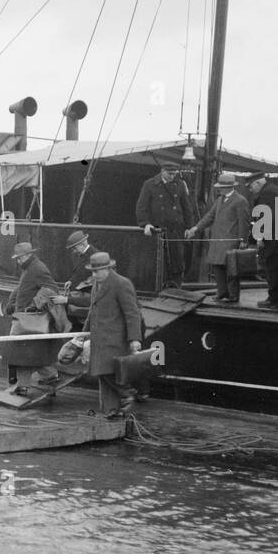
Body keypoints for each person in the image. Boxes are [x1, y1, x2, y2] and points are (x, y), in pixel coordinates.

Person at [83, 252, 143, 419]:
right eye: (92, 272)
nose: (93, 275)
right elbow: (92, 311)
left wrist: (135, 339)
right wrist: (83, 333)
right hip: (99, 338)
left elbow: (132, 313)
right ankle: (111, 410)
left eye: (96, 271)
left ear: (107, 269)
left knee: (106, 371)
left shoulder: (121, 284)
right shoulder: (98, 284)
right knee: (102, 372)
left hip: (114, 339)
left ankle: (128, 394)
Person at [1, 241, 63, 391]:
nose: (18, 260)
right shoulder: (29, 268)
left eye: (20, 257)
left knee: (21, 352)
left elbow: (51, 288)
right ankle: (48, 376)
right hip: (23, 317)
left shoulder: (37, 268)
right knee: (26, 352)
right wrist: (12, 303)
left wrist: (35, 305)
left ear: (28, 255)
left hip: (29, 318)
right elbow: (22, 287)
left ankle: (25, 384)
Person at [186, 171, 250, 303]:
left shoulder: (240, 201)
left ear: (229, 187)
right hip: (217, 239)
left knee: (232, 268)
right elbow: (209, 216)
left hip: (231, 240)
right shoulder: (220, 200)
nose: (219, 189)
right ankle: (222, 293)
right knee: (217, 266)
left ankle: (233, 295)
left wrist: (243, 240)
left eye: (221, 187)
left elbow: (244, 222)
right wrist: (196, 228)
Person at [136, 163, 198, 289]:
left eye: (174, 174)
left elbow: (187, 209)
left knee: (177, 261)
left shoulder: (180, 184)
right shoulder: (150, 184)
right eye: (170, 174)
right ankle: (158, 288)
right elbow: (141, 207)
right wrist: (145, 224)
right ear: (162, 171)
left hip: (176, 230)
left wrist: (189, 227)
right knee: (158, 261)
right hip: (158, 230)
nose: (172, 176)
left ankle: (176, 288)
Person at [248, 174, 278, 309]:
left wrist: (260, 237)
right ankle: (277, 298)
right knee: (276, 268)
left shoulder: (267, 194)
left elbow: (267, 217)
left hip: (274, 239)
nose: (250, 190)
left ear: (257, 183)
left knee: (273, 267)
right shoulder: (275, 190)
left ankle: (276, 300)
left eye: (250, 187)